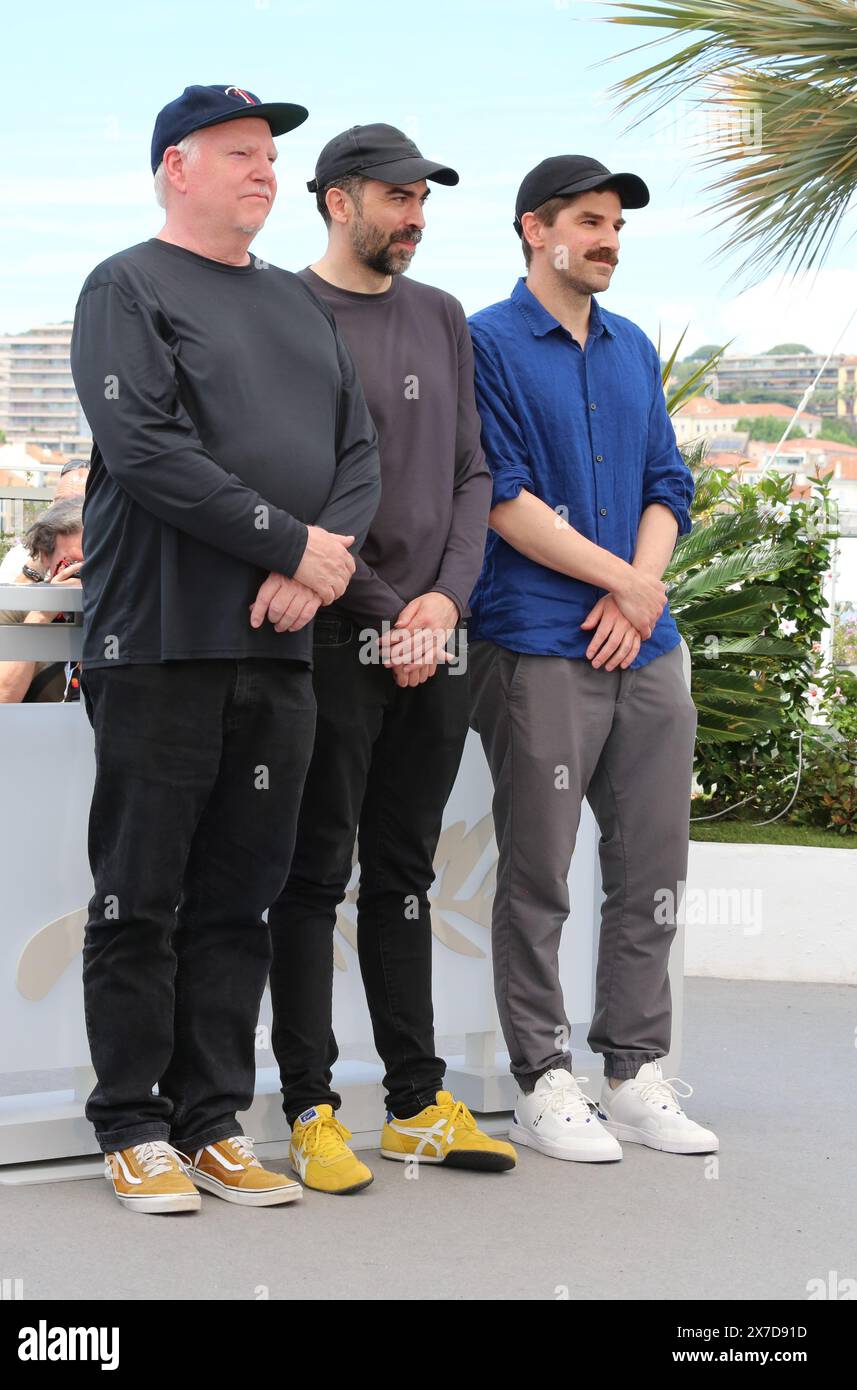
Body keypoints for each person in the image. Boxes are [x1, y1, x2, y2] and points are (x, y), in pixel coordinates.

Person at [70, 84, 381, 1214]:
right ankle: (130, 1124)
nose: (265, 171)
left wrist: (320, 560)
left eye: (270, 157)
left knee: (240, 898)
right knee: (140, 894)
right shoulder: (126, 286)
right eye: (241, 152)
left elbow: (360, 450)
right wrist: (293, 544)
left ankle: (210, 1121)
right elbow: (143, 445)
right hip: (160, 641)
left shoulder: (302, 307)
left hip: (279, 655)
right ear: (175, 169)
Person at [264, 123, 515, 1193]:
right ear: (336, 200)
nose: (414, 216)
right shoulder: (280, 313)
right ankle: (310, 1109)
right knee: (312, 872)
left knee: (404, 870)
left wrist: (444, 602)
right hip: (330, 631)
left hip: (436, 633)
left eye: (423, 199)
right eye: (397, 197)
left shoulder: (441, 315)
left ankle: (413, 1100)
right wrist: (387, 610)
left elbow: (470, 470)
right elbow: (291, 483)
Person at [467, 155, 718, 1163]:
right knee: (538, 869)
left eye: (617, 222)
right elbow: (500, 494)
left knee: (652, 866)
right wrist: (618, 582)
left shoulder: (629, 348)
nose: (609, 237)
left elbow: (668, 479)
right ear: (536, 228)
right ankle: (541, 1076)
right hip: (535, 638)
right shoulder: (483, 342)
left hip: (644, 643)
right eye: (589, 219)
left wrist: (639, 590)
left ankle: (633, 1070)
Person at [0, 497, 83, 703]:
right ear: (45, 557)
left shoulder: (123, 607)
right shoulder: (19, 607)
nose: (82, 574)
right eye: (71, 564)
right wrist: (41, 614)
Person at [0, 458, 90, 585]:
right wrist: (38, 562)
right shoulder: (19, 557)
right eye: (61, 503)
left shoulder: (113, 552)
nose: (66, 514)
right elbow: (2, 604)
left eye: (78, 504)